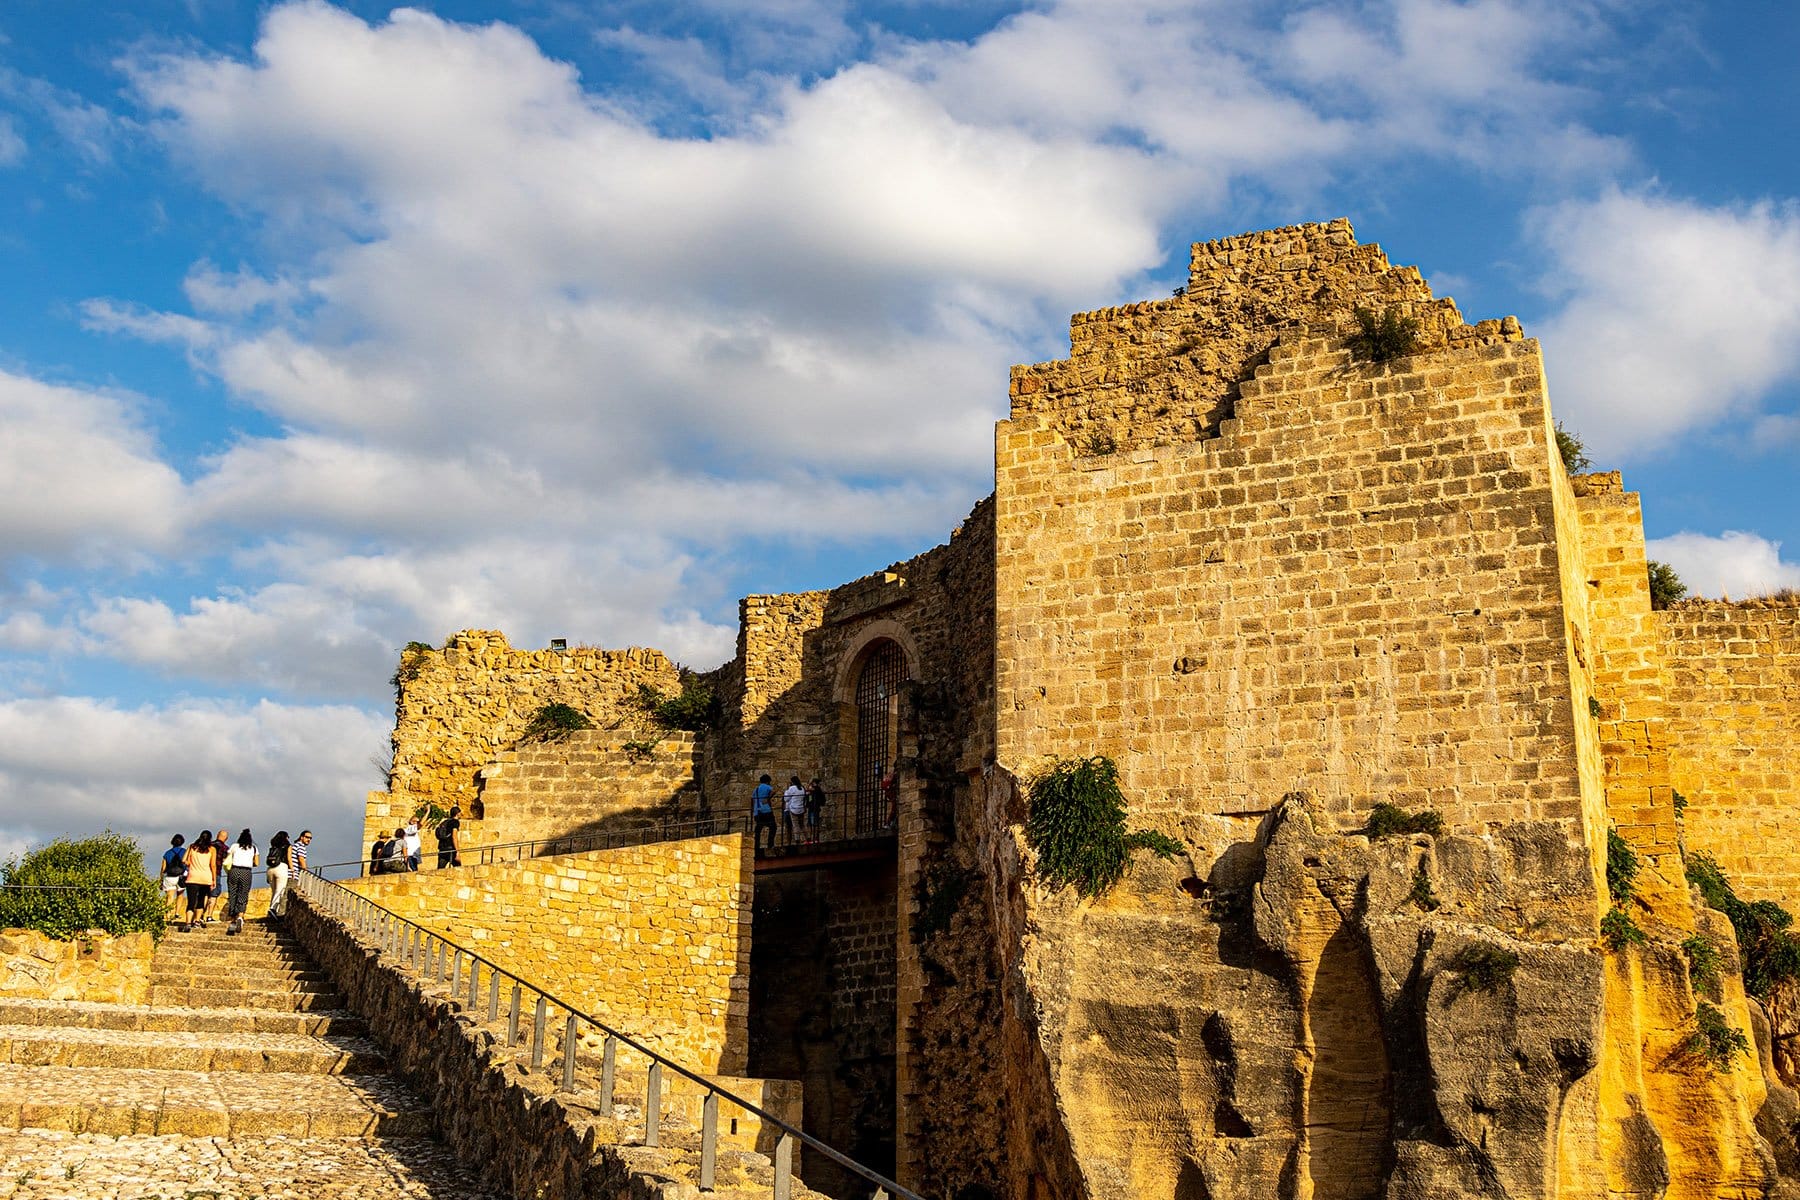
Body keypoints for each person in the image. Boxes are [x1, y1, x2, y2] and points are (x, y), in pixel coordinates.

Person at [224, 829, 258, 935]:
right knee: (243, 894)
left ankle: (233, 919)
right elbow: (256, 863)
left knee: (233, 893)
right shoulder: (253, 848)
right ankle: (240, 916)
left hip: (234, 870)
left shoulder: (234, 846)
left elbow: (228, 858)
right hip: (246, 872)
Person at [182, 831, 215, 932]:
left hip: (193, 877)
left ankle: (188, 923)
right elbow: (213, 865)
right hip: (206, 878)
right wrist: (213, 879)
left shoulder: (192, 847)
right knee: (201, 901)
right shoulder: (212, 849)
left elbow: (184, 860)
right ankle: (196, 921)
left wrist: (190, 863)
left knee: (191, 902)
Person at [160, 834, 187, 921]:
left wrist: (161, 879)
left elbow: (163, 868)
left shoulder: (167, 853)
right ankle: (177, 913)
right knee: (180, 894)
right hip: (181, 876)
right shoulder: (184, 852)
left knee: (170, 896)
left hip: (169, 876)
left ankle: (167, 914)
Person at [205, 828, 231, 922]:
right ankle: (209, 916)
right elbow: (226, 862)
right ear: (226, 838)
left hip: (204, 872)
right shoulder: (225, 848)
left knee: (204, 893)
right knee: (213, 894)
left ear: (217, 835)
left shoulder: (208, 845)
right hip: (216, 872)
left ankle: (199, 917)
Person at [266, 831, 292, 920]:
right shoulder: (288, 846)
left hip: (270, 869)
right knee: (280, 891)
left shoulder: (273, 847)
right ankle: (273, 909)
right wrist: (292, 869)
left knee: (274, 891)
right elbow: (289, 858)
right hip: (281, 867)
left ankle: (273, 912)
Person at [751, 775, 776, 853]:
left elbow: (752, 800)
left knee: (758, 829)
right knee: (773, 827)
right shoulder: (767, 787)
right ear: (768, 781)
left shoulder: (756, 789)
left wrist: (753, 810)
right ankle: (770, 844)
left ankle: (756, 846)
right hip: (766, 810)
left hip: (757, 812)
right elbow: (773, 791)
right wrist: (768, 798)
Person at [782, 776, 807, 845]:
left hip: (794, 809)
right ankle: (807, 838)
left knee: (795, 825)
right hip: (801, 808)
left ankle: (797, 840)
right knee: (802, 825)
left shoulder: (792, 788)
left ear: (792, 782)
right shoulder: (802, 788)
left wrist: (786, 792)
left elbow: (786, 799)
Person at [806, 778, 827, 843]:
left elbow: (811, 796)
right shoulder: (817, 789)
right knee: (811, 823)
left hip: (813, 808)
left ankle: (814, 839)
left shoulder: (816, 789)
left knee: (813, 823)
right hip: (813, 808)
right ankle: (813, 839)